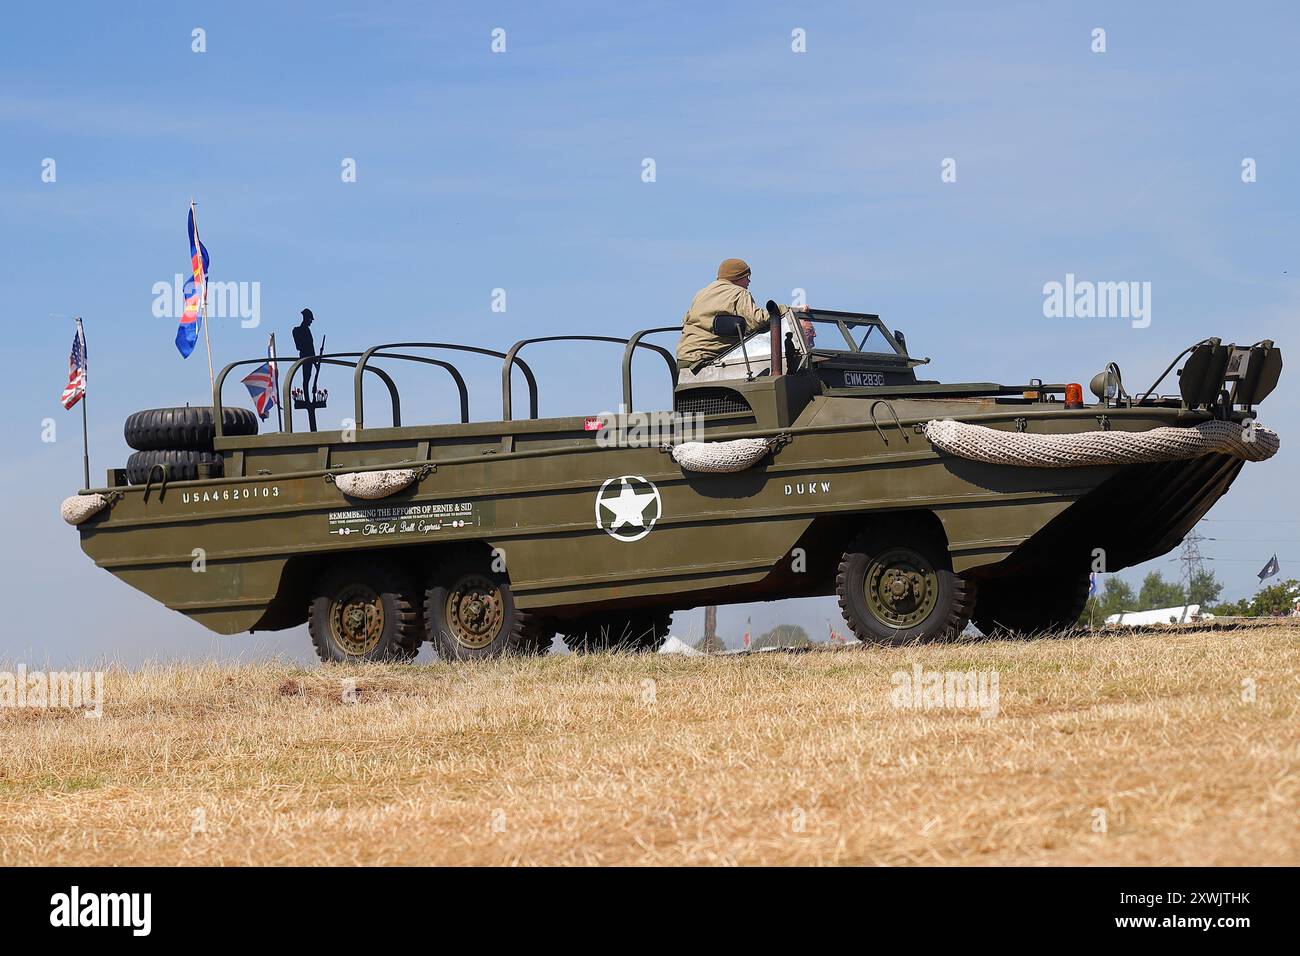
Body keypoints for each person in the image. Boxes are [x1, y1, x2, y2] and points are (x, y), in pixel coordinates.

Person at [676, 258, 809, 369]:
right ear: (737, 276)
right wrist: (787, 309)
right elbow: (756, 321)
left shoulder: (702, 293)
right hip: (706, 360)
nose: (749, 281)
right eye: (747, 277)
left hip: (683, 359)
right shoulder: (738, 293)